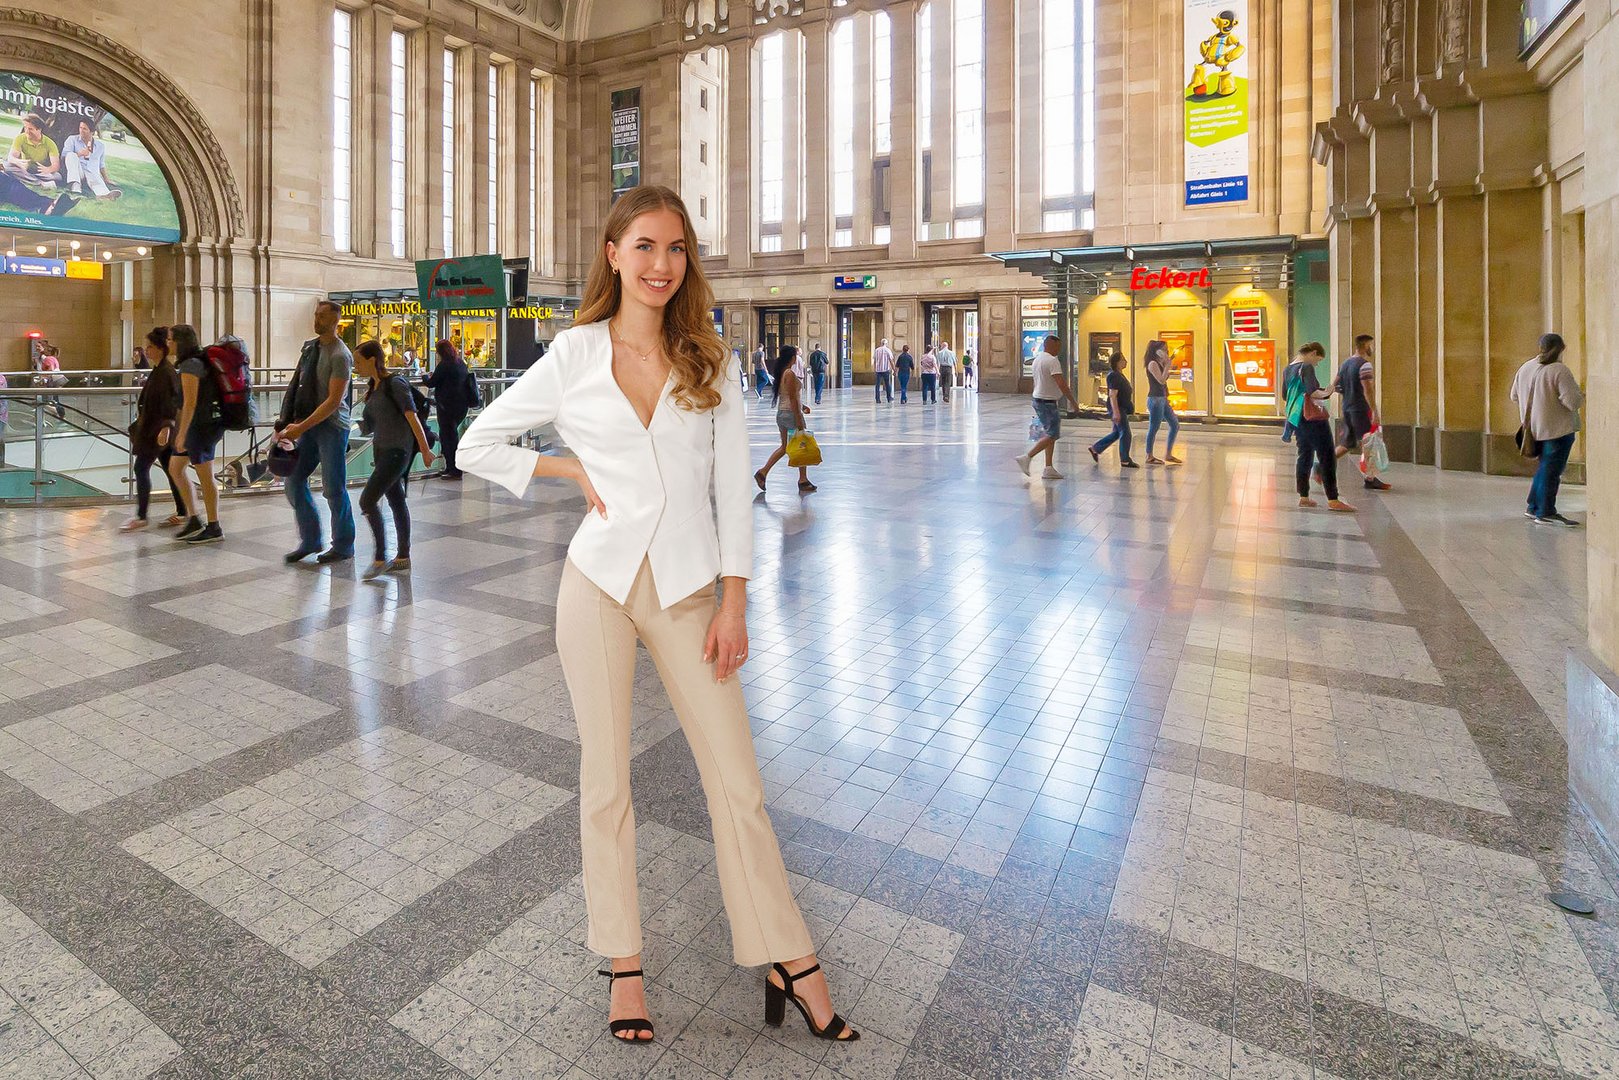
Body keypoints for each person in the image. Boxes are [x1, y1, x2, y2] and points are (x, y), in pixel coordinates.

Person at [458, 185, 858, 1047]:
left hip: (688, 591)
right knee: (605, 781)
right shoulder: (573, 353)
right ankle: (624, 965)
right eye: (643, 246)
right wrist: (567, 471)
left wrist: (734, 600)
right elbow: (474, 443)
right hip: (597, 584)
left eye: (675, 248)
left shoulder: (709, 360)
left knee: (737, 783)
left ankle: (789, 958)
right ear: (612, 254)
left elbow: (731, 492)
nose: (660, 264)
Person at [278, 300, 356, 564]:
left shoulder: (340, 355)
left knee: (333, 488)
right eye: (316, 314)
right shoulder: (310, 349)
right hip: (309, 424)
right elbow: (296, 386)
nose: (317, 319)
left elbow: (334, 401)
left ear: (335, 320)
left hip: (332, 427)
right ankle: (310, 539)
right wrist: (287, 423)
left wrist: (300, 427)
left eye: (322, 316)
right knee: (293, 480)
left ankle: (343, 544)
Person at [354, 340, 435, 578]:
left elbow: (412, 417)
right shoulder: (374, 388)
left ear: (372, 360)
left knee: (367, 500)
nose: (355, 366)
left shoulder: (395, 383)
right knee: (396, 500)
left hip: (398, 451)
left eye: (358, 361)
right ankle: (403, 557)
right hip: (381, 451)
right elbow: (373, 424)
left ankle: (380, 558)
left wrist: (424, 449)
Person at [1511, 332, 1585, 527]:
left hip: (1534, 430)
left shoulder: (1526, 367)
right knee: (1552, 471)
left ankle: (1533, 506)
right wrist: (1581, 395)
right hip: (1557, 430)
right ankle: (1545, 511)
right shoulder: (1559, 370)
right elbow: (1572, 402)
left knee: (1544, 468)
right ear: (1560, 349)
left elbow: (1514, 396)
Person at [122, 327, 187, 532]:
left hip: (156, 432)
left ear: (160, 348)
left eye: (150, 347)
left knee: (141, 468)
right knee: (171, 470)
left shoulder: (165, 372)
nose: (146, 350)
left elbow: (171, 403)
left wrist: (166, 427)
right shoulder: (160, 370)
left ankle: (142, 516)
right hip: (156, 430)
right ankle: (183, 511)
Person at [167, 325, 226, 544]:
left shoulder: (191, 365)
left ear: (180, 342)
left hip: (202, 427)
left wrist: (181, 434)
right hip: (200, 425)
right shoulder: (192, 362)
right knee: (175, 468)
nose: (168, 343)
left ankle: (214, 526)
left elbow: (190, 403)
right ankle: (194, 518)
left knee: (205, 475)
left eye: (171, 339)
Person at [1283, 342, 1354, 513]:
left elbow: (1286, 395)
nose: (1316, 364)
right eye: (1318, 360)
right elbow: (1312, 391)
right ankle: (1333, 499)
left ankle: (1304, 497)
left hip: (1297, 417)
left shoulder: (1288, 369)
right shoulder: (1306, 366)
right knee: (1327, 455)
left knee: (1304, 455)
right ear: (1313, 353)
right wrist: (1328, 391)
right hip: (1313, 418)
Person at [1016, 335, 1081, 481]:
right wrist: (1073, 402)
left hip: (1039, 399)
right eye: (1057, 346)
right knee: (1053, 434)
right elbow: (1061, 383)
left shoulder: (1038, 359)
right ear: (1050, 345)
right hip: (1047, 402)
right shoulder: (1052, 361)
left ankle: (1048, 467)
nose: (1059, 349)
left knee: (1049, 433)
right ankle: (1027, 457)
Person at [754, 345, 816, 494]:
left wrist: (802, 406)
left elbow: (787, 395)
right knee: (802, 445)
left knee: (784, 447)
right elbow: (793, 398)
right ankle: (802, 480)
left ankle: (763, 472)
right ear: (792, 358)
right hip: (790, 414)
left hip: (782, 413)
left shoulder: (782, 373)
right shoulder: (789, 373)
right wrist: (799, 419)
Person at [1334, 334, 1389, 491]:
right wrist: (1374, 411)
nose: (1372, 348)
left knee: (1347, 443)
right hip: (1360, 409)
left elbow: (1336, 386)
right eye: (1371, 345)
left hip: (1347, 407)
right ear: (1365, 345)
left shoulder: (1345, 363)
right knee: (1370, 442)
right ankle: (1370, 479)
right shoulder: (1364, 365)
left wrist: (1349, 393)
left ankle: (1322, 465)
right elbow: (1368, 390)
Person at [425, 339, 477, 479]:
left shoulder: (444, 365)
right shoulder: (460, 363)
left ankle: (454, 470)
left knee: (448, 438)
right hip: (461, 406)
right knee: (451, 436)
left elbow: (431, 383)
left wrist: (425, 376)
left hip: (447, 407)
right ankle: (451, 467)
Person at [1088, 354, 1139, 469]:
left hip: (1121, 407)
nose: (1126, 361)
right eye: (1123, 360)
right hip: (1118, 408)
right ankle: (1125, 459)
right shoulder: (1114, 376)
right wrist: (1116, 412)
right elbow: (1112, 394)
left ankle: (1095, 448)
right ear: (1117, 362)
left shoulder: (1119, 375)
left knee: (1117, 433)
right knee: (1125, 433)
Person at [1142, 339, 1183, 466]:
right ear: (1157, 351)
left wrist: (1167, 365)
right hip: (1155, 399)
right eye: (1163, 350)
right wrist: (1167, 366)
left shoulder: (1160, 363)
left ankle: (1168, 454)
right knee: (1154, 427)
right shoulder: (1152, 364)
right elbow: (1161, 380)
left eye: (1166, 350)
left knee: (1175, 424)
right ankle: (1149, 455)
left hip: (1162, 398)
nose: (1166, 352)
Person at [62, 120, 119, 200]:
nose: (81, 130)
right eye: (80, 128)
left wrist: (106, 179)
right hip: (78, 172)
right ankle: (75, 188)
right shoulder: (72, 139)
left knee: (95, 177)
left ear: (92, 132)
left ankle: (104, 195)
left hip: (92, 173)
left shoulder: (100, 146)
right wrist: (79, 154)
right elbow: (64, 157)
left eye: (84, 129)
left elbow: (101, 165)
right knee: (71, 155)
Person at [4, 114, 62, 186]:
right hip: (24, 169)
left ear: (39, 129)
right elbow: (11, 157)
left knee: (58, 176)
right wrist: (18, 162)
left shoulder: (50, 143)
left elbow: (56, 166)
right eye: (25, 128)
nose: (27, 131)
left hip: (41, 172)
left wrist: (48, 169)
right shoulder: (20, 138)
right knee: (5, 166)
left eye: (30, 129)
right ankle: (41, 183)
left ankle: (28, 178)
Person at [872, 338, 894, 403]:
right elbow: (891, 360)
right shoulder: (888, 350)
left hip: (878, 370)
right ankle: (889, 398)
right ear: (886, 343)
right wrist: (893, 369)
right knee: (888, 384)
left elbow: (874, 360)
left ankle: (877, 399)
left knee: (877, 385)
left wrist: (874, 369)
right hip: (885, 370)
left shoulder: (876, 350)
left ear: (881, 343)